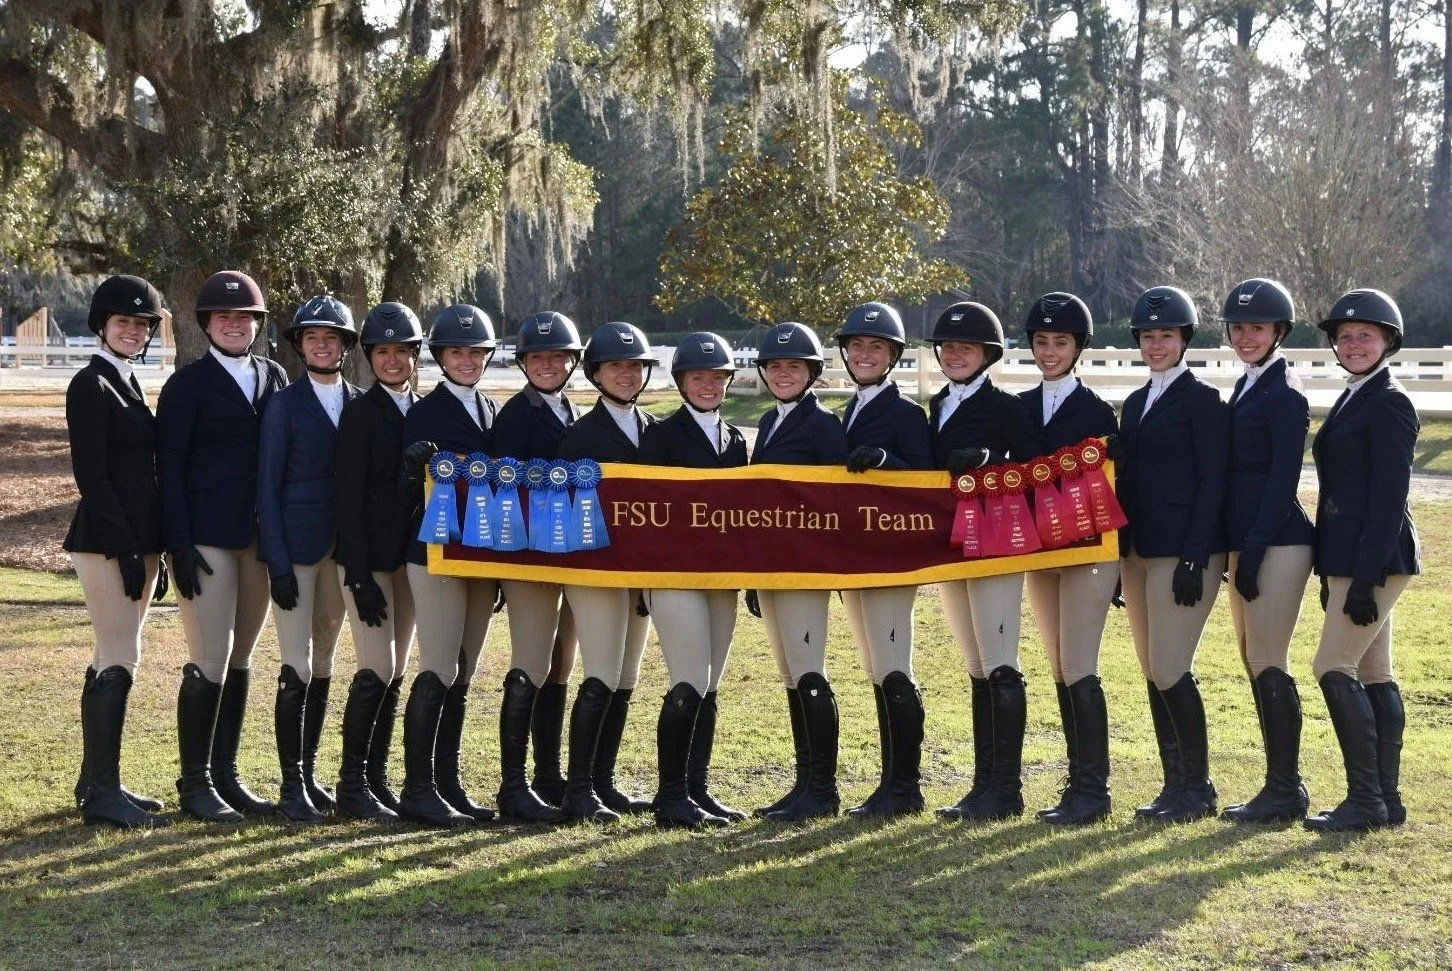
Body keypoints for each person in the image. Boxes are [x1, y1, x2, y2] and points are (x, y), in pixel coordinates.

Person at [157, 270, 287, 822]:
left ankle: (227, 774)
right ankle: (196, 783)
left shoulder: (275, 375)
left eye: (245, 318)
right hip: (207, 537)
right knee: (209, 656)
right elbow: (170, 469)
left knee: (241, 656)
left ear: (257, 325)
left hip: (258, 538)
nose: (235, 326)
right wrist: (178, 544)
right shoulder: (187, 385)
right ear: (208, 323)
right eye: (224, 318)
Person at [1305, 288, 1421, 832]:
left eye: (1365, 336)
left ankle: (1365, 799)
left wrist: (1364, 579)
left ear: (1387, 342)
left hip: (1377, 558)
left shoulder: (1391, 401)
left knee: (1332, 666)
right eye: (1345, 336)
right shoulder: (1357, 394)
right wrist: (1332, 571)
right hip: (1349, 558)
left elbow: (1388, 500)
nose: (1353, 344)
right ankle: (1388, 800)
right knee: (1375, 672)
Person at [1118, 285, 1229, 824]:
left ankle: (1199, 787)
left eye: (1165, 334)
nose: (1155, 343)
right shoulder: (1137, 402)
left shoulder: (1204, 401)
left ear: (1184, 339)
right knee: (1150, 667)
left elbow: (1213, 482)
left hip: (1183, 553)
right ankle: (1173, 784)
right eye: (1148, 335)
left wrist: (1195, 557)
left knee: (1170, 666)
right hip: (1138, 551)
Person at [927, 302, 1042, 823]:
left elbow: (1033, 471)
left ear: (987, 355)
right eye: (949, 347)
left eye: (965, 348)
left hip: (996, 541)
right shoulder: (937, 405)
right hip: (951, 545)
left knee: (999, 662)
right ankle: (982, 784)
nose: (955, 355)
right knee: (975, 666)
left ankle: (1007, 788)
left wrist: (992, 464)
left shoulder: (1008, 409)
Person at [64, 274, 171, 828]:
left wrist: (154, 549)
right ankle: (103, 793)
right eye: (123, 322)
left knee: (110, 655)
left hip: (138, 541)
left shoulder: (126, 381)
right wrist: (128, 548)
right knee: (120, 656)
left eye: (141, 324)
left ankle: (95, 780)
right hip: (107, 542)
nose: (133, 331)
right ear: (102, 326)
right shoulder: (90, 384)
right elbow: (93, 477)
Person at [639, 333, 750, 829]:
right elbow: (641, 514)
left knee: (711, 684)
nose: (708, 385)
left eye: (717, 377)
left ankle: (697, 787)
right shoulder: (660, 436)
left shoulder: (735, 441)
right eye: (698, 377)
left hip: (722, 577)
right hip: (674, 574)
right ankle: (671, 795)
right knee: (687, 680)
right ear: (682, 382)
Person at [257, 295, 361, 822]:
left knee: (325, 662)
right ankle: (290, 784)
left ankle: (312, 772)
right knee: (295, 662)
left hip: (341, 554)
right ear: (300, 345)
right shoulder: (284, 404)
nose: (323, 345)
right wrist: (276, 562)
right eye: (313, 337)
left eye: (332, 337)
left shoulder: (360, 401)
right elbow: (266, 487)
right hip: (296, 550)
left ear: (345, 345)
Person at [397, 304, 502, 827]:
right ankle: (417, 788)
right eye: (457, 352)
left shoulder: (491, 409)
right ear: (441, 357)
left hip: (481, 555)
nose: (468, 360)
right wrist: (410, 464)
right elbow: (401, 488)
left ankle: (448, 781)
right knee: (438, 666)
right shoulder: (423, 412)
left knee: (464, 672)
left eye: (476, 352)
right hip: (435, 553)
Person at [1017, 292, 1120, 826]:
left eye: (1060, 342)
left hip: (1087, 553)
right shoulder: (1021, 409)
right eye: (1041, 341)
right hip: (1039, 552)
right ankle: (1076, 781)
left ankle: (1093, 789)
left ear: (1078, 347)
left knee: (1079, 663)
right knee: (1058, 664)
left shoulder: (1098, 413)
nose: (1049, 351)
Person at [1217, 279, 1316, 824]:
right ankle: (1279, 783)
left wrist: (1253, 549)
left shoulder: (1285, 392)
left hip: (1278, 539)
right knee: (1253, 659)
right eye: (1238, 327)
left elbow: (1283, 480)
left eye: (1256, 327)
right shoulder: (1250, 384)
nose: (1245, 336)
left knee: (1269, 659)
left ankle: (1286, 787)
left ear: (1278, 331)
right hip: (1249, 541)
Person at [555, 321, 658, 823]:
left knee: (626, 675)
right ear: (596, 373)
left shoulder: (656, 432)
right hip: (594, 568)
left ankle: (603, 780)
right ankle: (578, 791)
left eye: (635, 365)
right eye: (616, 365)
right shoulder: (579, 437)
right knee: (599, 670)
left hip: (641, 570)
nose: (626, 373)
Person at [834, 303, 933, 819]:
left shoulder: (906, 415)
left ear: (892, 355)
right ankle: (891, 782)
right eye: (857, 347)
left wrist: (888, 463)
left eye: (875, 347)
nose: (864, 355)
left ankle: (904, 786)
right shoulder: (845, 412)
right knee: (876, 667)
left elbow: (927, 486)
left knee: (894, 666)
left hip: (893, 558)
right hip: (854, 559)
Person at [749, 321, 850, 822]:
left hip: (805, 568)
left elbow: (838, 504)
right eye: (775, 366)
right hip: (771, 567)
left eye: (794, 366)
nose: (783, 374)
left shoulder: (824, 426)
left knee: (810, 671)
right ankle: (804, 781)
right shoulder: (770, 422)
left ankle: (824, 789)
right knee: (791, 674)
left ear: (811, 372)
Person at [333, 302, 426, 822]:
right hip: (367, 560)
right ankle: (350, 786)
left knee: (396, 671)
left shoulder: (426, 409)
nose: (393, 361)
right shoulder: (360, 414)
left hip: (410, 561)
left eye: (402, 351)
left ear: (415, 355)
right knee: (377, 666)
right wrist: (360, 574)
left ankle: (376, 778)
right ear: (369, 357)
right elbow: (347, 499)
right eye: (383, 352)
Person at [491, 311, 582, 824]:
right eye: (537, 358)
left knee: (560, 664)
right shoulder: (515, 416)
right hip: (529, 555)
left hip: (571, 553)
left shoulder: (568, 407)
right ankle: (513, 784)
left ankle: (548, 774)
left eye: (556, 357)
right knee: (529, 662)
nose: (547, 365)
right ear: (523, 362)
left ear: (570, 362)